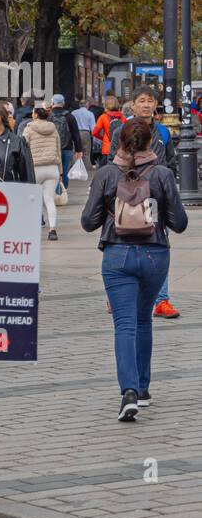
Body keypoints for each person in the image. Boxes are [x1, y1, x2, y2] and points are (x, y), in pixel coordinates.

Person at [80, 118, 188, 421]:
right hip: (155, 254)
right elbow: (179, 223)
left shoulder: (106, 174)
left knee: (124, 324)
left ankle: (128, 391)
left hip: (117, 255)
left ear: (118, 142)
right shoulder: (163, 174)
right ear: (150, 142)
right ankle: (143, 389)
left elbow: (88, 222)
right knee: (144, 320)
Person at [109, 86, 180, 318]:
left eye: (150, 101)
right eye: (141, 101)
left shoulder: (162, 131)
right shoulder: (120, 130)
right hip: (126, 195)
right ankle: (116, 294)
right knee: (120, 239)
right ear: (133, 105)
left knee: (158, 241)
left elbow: (170, 161)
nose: (146, 105)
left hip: (154, 198)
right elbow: (112, 162)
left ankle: (161, 299)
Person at [21, 99, 63, 240]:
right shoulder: (53, 129)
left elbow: (23, 149)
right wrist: (61, 170)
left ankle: (35, 225)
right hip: (52, 168)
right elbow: (58, 150)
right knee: (49, 199)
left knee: (33, 198)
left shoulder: (28, 129)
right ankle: (52, 230)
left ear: (36, 115)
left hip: (35, 168)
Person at [49, 94, 84, 188]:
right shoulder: (70, 116)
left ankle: (56, 192)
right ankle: (63, 191)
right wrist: (78, 150)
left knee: (54, 170)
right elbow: (76, 134)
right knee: (64, 170)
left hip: (52, 148)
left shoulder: (49, 116)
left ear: (52, 103)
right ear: (63, 103)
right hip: (67, 147)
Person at [92, 96, 125, 166]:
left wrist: (103, 138)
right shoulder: (122, 117)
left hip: (107, 148)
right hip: (120, 148)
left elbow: (94, 132)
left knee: (104, 171)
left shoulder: (103, 117)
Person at [72, 98, 97, 169]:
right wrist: (94, 136)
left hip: (76, 132)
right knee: (86, 152)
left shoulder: (74, 113)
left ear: (79, 105)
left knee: (75, 151)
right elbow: (93, 127)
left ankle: (76, 168)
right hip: (86, 133)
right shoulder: (90, 113)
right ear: (87, 105)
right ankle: (86, 169)